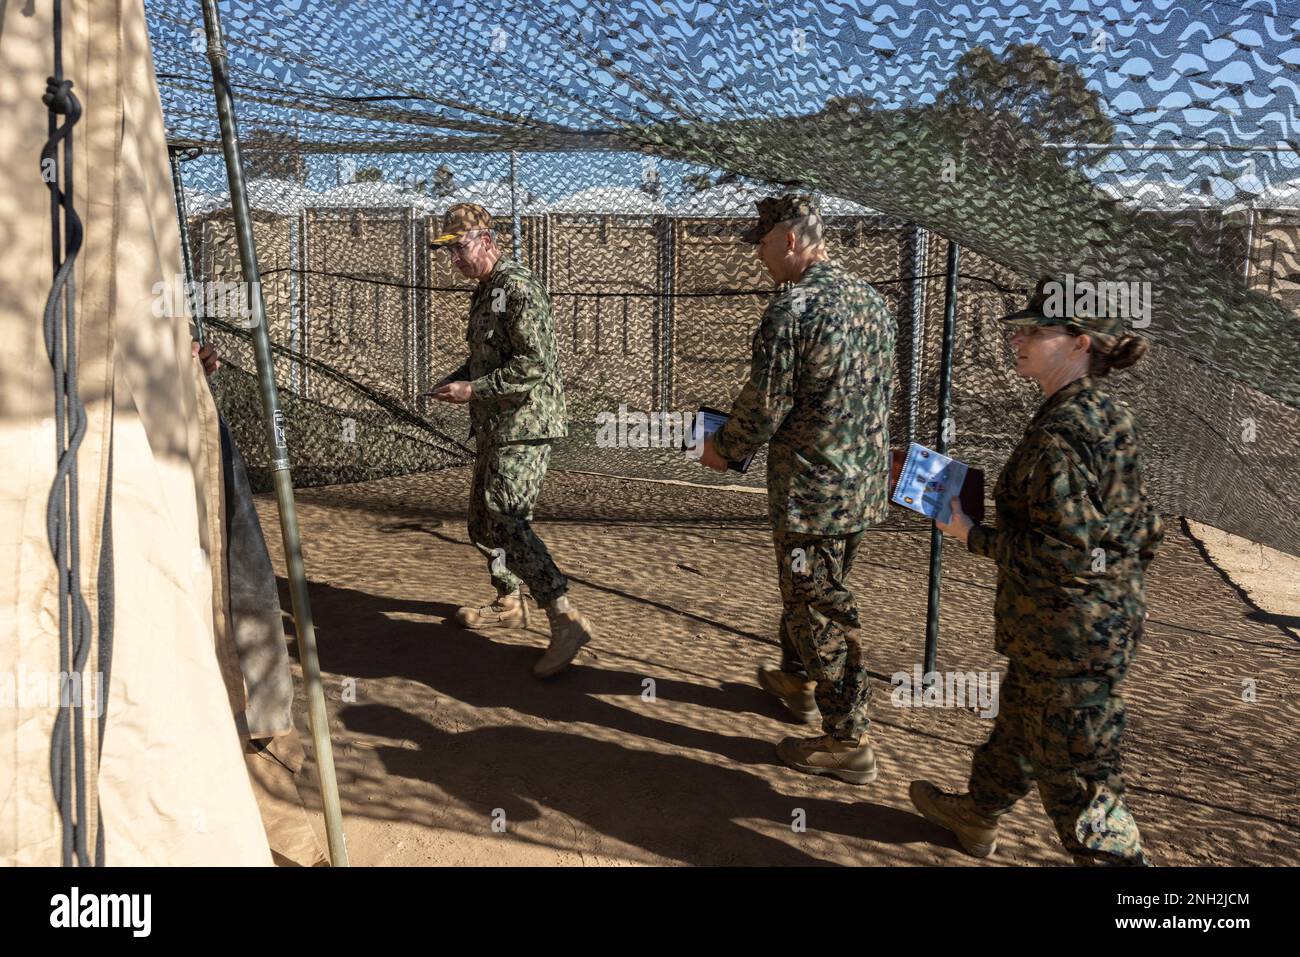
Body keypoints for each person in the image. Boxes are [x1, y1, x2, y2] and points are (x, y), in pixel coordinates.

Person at [910, 277, 1164, 865]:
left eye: (1035, 330)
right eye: (1019, 328)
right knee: (1022, 722)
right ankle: (978, 813)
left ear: (1080, 342)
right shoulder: (1104, 411)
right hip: (1093, 624)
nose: (1018, 339)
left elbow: (1067, 552)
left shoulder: (1059, 435)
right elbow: (1134, 527)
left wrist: (972, 535)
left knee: (1080, 778)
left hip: (1070, 635)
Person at [699, 194, 896, 784]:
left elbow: (765, 405)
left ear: (789, 240)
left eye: (761, 244)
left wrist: (723, 449)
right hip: (861, 486)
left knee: (819, 607)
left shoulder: (793, 310)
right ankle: (796, 679)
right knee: (813, 591)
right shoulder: (873, 303)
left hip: (812, 492)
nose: (759, 257)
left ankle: (847, 740)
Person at [428, 203, 595, 679]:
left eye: (459, 249)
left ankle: (564, 618)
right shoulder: (487, 290)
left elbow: (533, 364)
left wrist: (473, 389)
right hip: (497, 423)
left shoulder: (517, 286)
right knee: (481, 524)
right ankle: (509, 601)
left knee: (507, 522)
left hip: (525, 423)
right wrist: (456, 380)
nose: (454, 260)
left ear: (486, 239)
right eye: (449, 252)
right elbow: (488, 359)